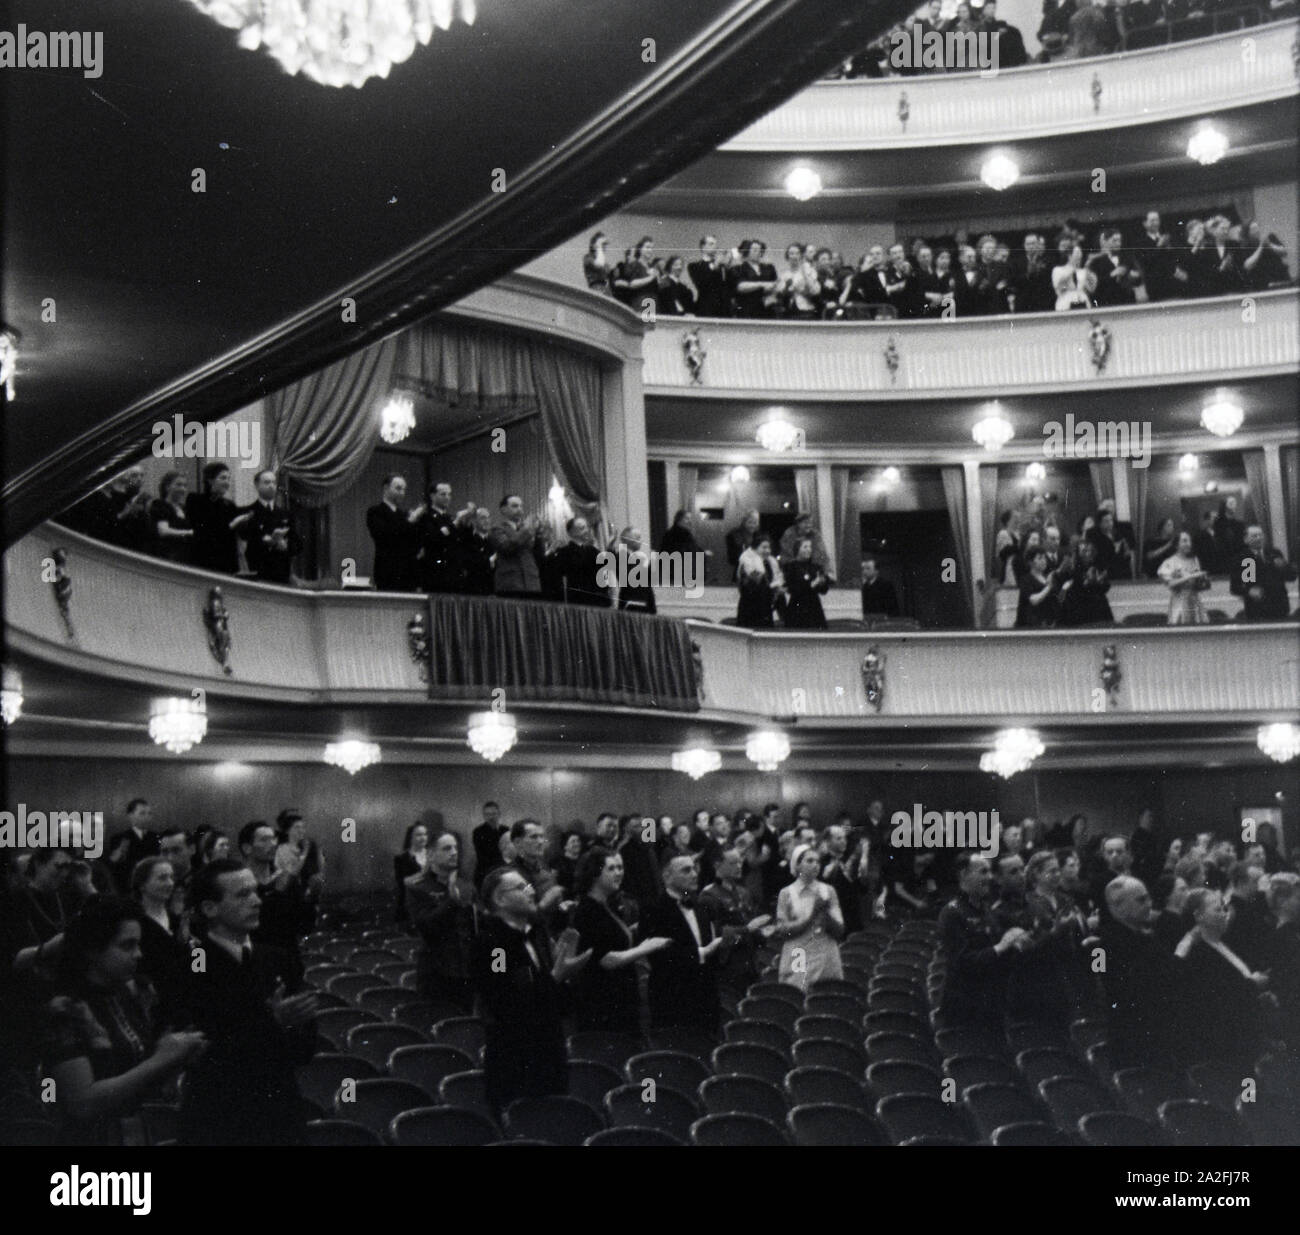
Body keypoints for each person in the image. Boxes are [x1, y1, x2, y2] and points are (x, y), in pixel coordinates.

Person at [41, 896, 206, 1145]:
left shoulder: (127, 994)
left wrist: (178, 1055)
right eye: (127, 946)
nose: (139, 954)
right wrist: (163, 1058)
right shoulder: (65, 1008)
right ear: (93, 950)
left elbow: (140, 1073)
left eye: (138, 945)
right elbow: (83, 1103)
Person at [178, 860, 317, 1145]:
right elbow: (208, 1050)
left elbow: (305, 1049)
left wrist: (290, 1028)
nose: (256, 901)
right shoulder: (192, 964)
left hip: (280, 1112)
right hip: (222, 1118)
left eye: (255, 892)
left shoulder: (278, 958)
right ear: (209, 908)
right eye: (242, 895)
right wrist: (273, 1023)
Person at [473, 866, 590, 1115]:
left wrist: (568, 978)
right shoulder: (494, 946)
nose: (530, 891)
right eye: (520, 887)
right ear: (500, 899)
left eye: (529, 885)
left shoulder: (537, 935)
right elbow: (503, 1001)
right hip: (515, 1060)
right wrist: (557, 976)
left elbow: (555, 1001)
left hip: (549, 1053)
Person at [570, 847, 670, 1037]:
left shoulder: (604, 904)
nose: (619, 873)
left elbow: (613, 938)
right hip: (603, 1001)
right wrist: (647, 947)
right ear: (594, 874)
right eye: (612, 868)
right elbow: (607, 959)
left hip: (618, 995)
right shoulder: (588, 910)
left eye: (621, 867)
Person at [1175, 887, 1270, 1067]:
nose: (1225, 914)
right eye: (1218, 909)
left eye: (1224, 909)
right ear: (1198, 916)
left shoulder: (1221, 943)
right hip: (1225, 1043)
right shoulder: (1198, 953)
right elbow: (1218, 996)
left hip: (1244, 1033)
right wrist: (1253, 984)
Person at [1099, 876, 1184, 1068]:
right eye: (1141, 900)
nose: (1149, 904)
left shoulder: (1143, 936)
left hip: (1155, 1031)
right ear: (1118, 906)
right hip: (1135, 1038)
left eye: (1148, 898)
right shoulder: (1108, 945)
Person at [937, 854, 1030, 1028]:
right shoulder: (952, 913)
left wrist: (1016, 944)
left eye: (989, 872)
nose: (989, 877)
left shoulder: (986, 910)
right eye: (983, 872)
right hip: (965, 1009)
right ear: (964, 874)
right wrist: (1001, 947)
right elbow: (962, 962)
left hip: (991, 1004)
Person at [643, 855, 725, 1035]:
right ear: (667, 876)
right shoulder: (653, 908)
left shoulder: (699, 905)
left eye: (694, 869)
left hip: (704, 996)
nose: (694, 874)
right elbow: (658, 957)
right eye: (686, 870)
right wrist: (702, 952)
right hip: (673, 998)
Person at [404, 831, 477, 1013]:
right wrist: (452, 901)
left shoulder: (466, 885)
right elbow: (427, 926)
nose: (454, 852)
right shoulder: (417, 887)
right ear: (431, 854)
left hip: (466, 971)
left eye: (455, 848)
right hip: (437, 974)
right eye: (447, 848)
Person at [237, 821, 312, 965]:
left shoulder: (286, 879)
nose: (272, 844)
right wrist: (277, 894)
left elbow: (303, 925)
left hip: (287, 959)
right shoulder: (237, 883)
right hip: (252, 961)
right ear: (247, 848)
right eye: (264, 840)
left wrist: (309, 895)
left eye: (273, 839)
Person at [129, 857, 191, 1025]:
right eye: (162, 878)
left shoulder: (180, 920)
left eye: (171, 877)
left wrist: (190, 947)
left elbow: (200, 962)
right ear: (142, 885)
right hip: (152, 1004)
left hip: (186, 999)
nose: (170, 883)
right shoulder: (134, 922)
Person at [775, 845, 844, 991]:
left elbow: (840, 930)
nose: (815, 865)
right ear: (797, 865)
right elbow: (782, 930)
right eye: (810, 861)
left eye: (818, 861)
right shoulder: (786, 893)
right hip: (798, 955)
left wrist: (826, 915)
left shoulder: (828, 891)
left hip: (826, 955)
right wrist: (812, 915)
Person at [233, 469, 301, 584]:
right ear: (257, 485)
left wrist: (285, 546)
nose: (271, 486)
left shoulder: (285, 514)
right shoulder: (247, 512)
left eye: (274, 483)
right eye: (267, 482)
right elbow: (243, 541)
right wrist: (265, 541)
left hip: (282, 576)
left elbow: (298, 544)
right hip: (258, 575)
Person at [412, 481, 473, 594]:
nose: (447, 497)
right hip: (436, 573)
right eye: (443, 494)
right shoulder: (426, 517)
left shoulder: (450, 518)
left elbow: (464, 542)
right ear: (432, 496)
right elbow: (434, 540)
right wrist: (456, 522)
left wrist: (467, 521)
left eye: (449, 494)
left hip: (454, 574)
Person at [1231, 524, 1297, 621]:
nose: (1259, 538)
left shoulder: (1274, 553)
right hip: (1256, 610)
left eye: (1261, 535)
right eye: (1254, 536)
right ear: (1246, 540)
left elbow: (1291, 577)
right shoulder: (1242, 558)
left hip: (1280, 607)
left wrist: (1284, 567)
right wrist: (1248, 591)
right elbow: (1235, 587)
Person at [366, 474, 419, 592]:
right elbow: (384, 536)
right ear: (386, 488)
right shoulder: (375, 512)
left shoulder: (405, 515)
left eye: (404, 489)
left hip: (408, 572)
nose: (402, 493)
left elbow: (414, 545)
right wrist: (409, 522)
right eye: (398, 488)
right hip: (387, 571)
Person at [187, 462, 242, 574]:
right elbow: (204, 531)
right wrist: (232, 524)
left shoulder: (229, 505)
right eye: (223, 478)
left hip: (227, 565)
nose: (227, 483)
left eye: (228, 479)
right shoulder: (195, 501)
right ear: (210, 480)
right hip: (203, 562)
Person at [544, 516, 609, 606]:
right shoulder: (564, 552)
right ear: (571, 532)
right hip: (577, 601)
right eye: (582, 528)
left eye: (587, 527)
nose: (587, 530)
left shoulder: (593, 551)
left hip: (596, 600)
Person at [489, 494, 543, 598]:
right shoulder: (497, 529)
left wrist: (539, 533)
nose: (519, 509)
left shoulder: (527, 529)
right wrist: (527, 530)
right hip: (510, 584)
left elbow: (539, 555)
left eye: (521, 506)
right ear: (503, 509)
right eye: (515, 506)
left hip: (531, 583)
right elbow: (506, 547)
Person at [106, 799, 160, 895]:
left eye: (149, 813)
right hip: (127, 888)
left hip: (153, 887)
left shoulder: (157, 837)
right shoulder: (119, 838)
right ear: (130, 816)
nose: (147, 817)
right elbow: (113, 866)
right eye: (142, 813)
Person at [1156, 530, 1210, 625]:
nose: (1188, 544)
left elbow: (1199, 586)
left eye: (1189, 541)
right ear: (1176, 545)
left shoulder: (1195, 560)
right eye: (1184, 541)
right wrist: (1190, 576)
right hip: (1179, 603)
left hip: (1194, 601)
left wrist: (1203, 581)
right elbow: (1170, 583)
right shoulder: (1170, 562)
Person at [1057, 538, 1113, 626]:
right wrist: (1087, 582)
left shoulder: (1096, 566)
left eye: (1090, 551)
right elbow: (1071, 589)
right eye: (1084, 551)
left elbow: (1106, 586)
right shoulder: (1071, 569)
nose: (1088, 554)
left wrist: (1099, 582)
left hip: (1098, 607)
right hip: (1079, 608)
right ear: (1077, 554)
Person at [275, 809, 323, 910]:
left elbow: (317, 873)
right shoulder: (282, 849)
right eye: (297, 827)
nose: (301, 830)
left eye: (303, 827)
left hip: (306, 899)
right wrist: (305, 852)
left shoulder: (309, 848)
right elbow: (292, 874)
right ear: (287, 830)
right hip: (288, 899)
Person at [736, 534, 785, 628]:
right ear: (755, 548)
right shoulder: (747, 564)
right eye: (764, 547)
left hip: (766, 608)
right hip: (750, 608)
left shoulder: (770, 563)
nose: (767, 551)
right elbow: (752, 587)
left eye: (769, 547)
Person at [782, 538, 830, 629]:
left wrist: (823, 582)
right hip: (797, 608)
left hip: (814, 607)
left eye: (810, 547)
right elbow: (792, 588)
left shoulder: (816, 567)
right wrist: (811, 584)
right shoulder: (790, 567)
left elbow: (824, 591)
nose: (809, 549)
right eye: (805, 547)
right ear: (797, 549)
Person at [610, 526, 656, 614]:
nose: (641, 540)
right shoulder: (621, 556)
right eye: (638, 537)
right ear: (628, 539)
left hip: (645, 604)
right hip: (632, 605)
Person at [1015, 546, 1061, 628]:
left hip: (1048, 624)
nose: (1044, 561)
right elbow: (1033, 600)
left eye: (1044, 558)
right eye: (1040, 558)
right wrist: (1049, 586)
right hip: (1030, 626)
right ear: (1031, 562)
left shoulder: (1047, 577)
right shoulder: (1026, 579)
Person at [688, 235, 732, 318]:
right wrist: (715, 265)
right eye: (711, 244)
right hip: (707, 310)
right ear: (703, 247)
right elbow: (701, 284)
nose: (715, 247)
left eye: (716, 244)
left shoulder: (722, 267)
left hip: (724, 311)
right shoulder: (694, 266)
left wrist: (728, 265)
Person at [393, 823, 429, 924]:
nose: (423, 838)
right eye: (419, 835)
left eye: (425, 834)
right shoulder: (402, 859)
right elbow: (402, 883)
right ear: (411, 838)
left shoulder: (433, 855)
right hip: (410, 905)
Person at [1051, 242, 1097, 310]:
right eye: (1077, 253)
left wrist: (1089, 272)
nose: (1079, 256)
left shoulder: (1082, 272)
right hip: (1065, 303)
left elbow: (1091, 289)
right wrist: (1072, 268)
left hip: (1083, 302)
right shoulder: (1058, 270)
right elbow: (1058, 286)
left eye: (1080, 253)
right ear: (1069, 256)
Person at [471, 802, 506, 888]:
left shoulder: (505, 830)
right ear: (484, 816)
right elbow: (482, 854)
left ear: (499, 814)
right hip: (484, 871)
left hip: (502, 871)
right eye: (487, 814)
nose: (491, 817)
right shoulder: (478, 832)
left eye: (493, 814)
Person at [859, 554, 900, 618]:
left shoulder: (886, 585)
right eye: (863, 569)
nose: (864, 571)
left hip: (883, 621)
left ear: (876, 571)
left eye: (868, 568)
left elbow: (892, 607)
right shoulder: (864, 587)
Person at [725, 510, 761, 576]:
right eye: (750, 522)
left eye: (755, 522)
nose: (753, 525)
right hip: (740, 571)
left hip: (758, 570)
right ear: (744, 522)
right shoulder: (734, 535)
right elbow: (732, 558)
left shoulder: (760, 536)